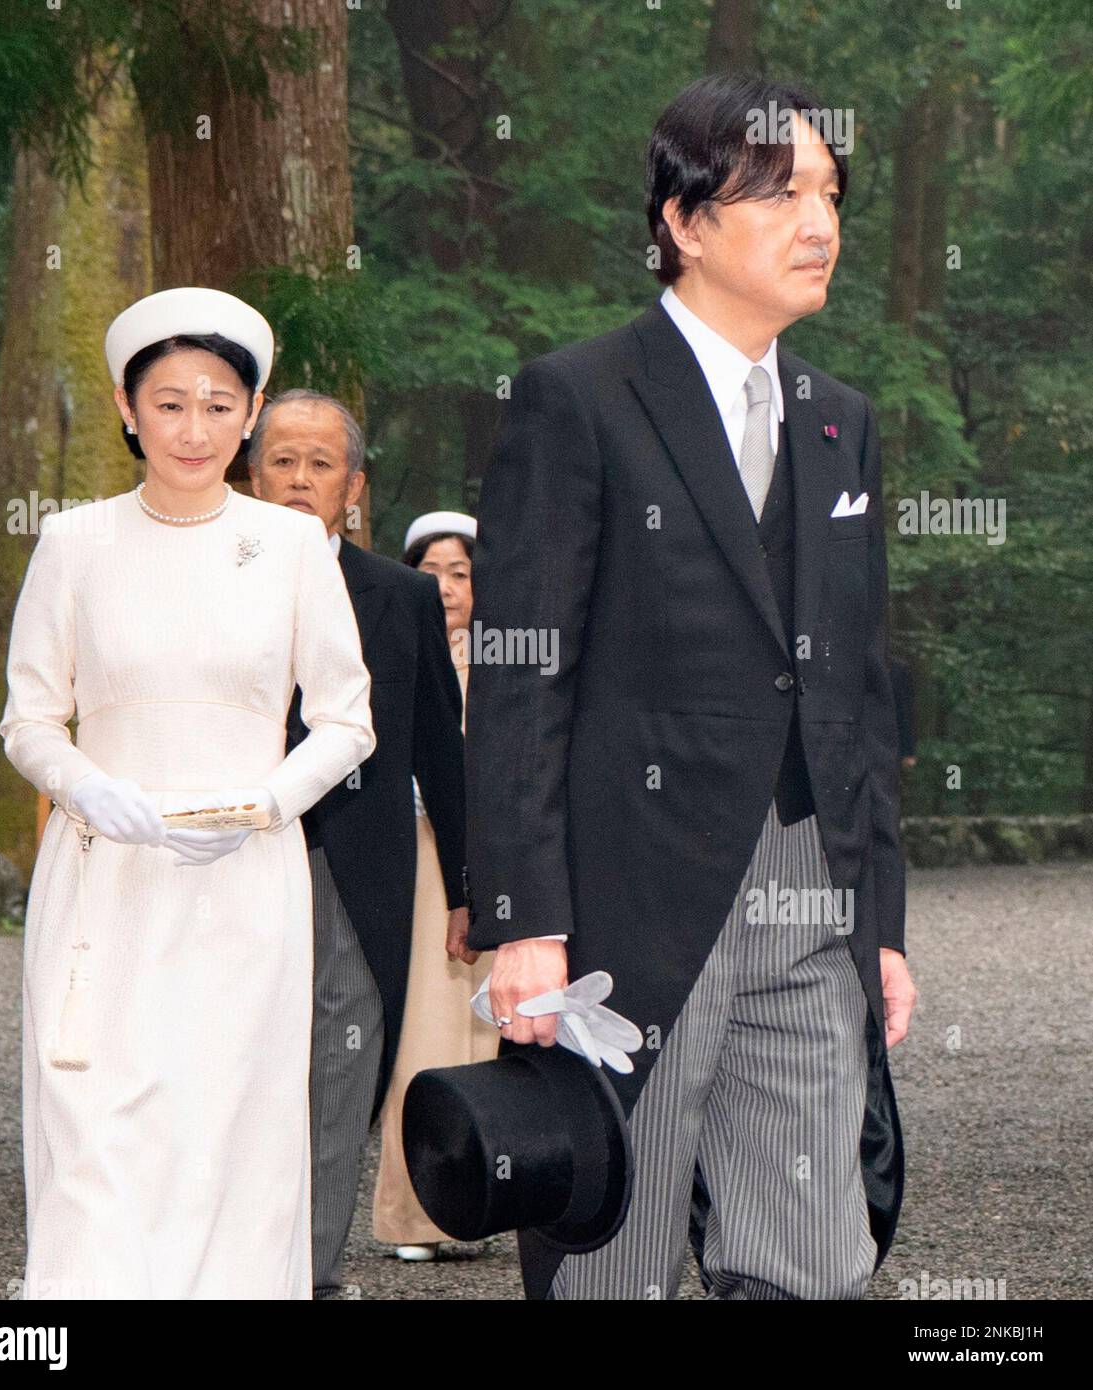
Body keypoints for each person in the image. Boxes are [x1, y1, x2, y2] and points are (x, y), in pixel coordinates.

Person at [464, 73, 917, 1300]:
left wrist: (879, 917)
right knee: (611, 1250)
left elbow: (857, 689)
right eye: (778, 195)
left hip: (811, 887)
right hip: (633, 905)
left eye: (828, 194)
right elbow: (520, 678)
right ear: (683, 221)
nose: (817, 222)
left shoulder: (841, 422)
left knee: (812, 1257)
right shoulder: (580, 398)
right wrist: (520, 920)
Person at [0, 288, 375, 1300]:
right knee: (97, 1139)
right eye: (169, 404)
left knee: (231, 1134)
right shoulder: (75, 545)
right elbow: (29, 717)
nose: (194, 428)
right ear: (127, 409)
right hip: (105, 880)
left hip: (243, 884)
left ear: (250, 417)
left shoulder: (291, 548)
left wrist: (262, 805)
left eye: (219, 404)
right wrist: (88, 786)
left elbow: (347, 718)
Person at [246, 393, 468, 1297]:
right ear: (249, 473)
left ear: (355, 487)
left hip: (357, 869)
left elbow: (441, 752)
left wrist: (466, 888)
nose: (300, 480)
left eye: (320, 464)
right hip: (226, 870)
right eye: (281, 462)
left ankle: (309, 1273)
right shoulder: (202, 582)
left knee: (340, 1075)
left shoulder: (403, 596)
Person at [371, 513, 500, 1262]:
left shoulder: (512, 661)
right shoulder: (394, 652)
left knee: (486, 1031)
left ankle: (484, 1200)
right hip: (420, 859)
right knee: (422, 1027)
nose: (446, 588)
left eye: (461, 573)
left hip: (498, 859)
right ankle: (413, 1211)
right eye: (432, 571)